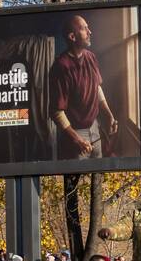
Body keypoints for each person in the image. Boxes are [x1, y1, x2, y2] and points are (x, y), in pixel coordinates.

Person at [49, 13, 119, 160]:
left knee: (98, 176)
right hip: (75, 133)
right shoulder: (61, 67)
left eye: (88, 28)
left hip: (95, 126)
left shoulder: (91, 57)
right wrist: (76, 139)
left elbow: (96, 88)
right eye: (84, 29)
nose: (90, 32)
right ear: (72, 37)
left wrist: (109, 115)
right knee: (77, 180)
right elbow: (56, 112)